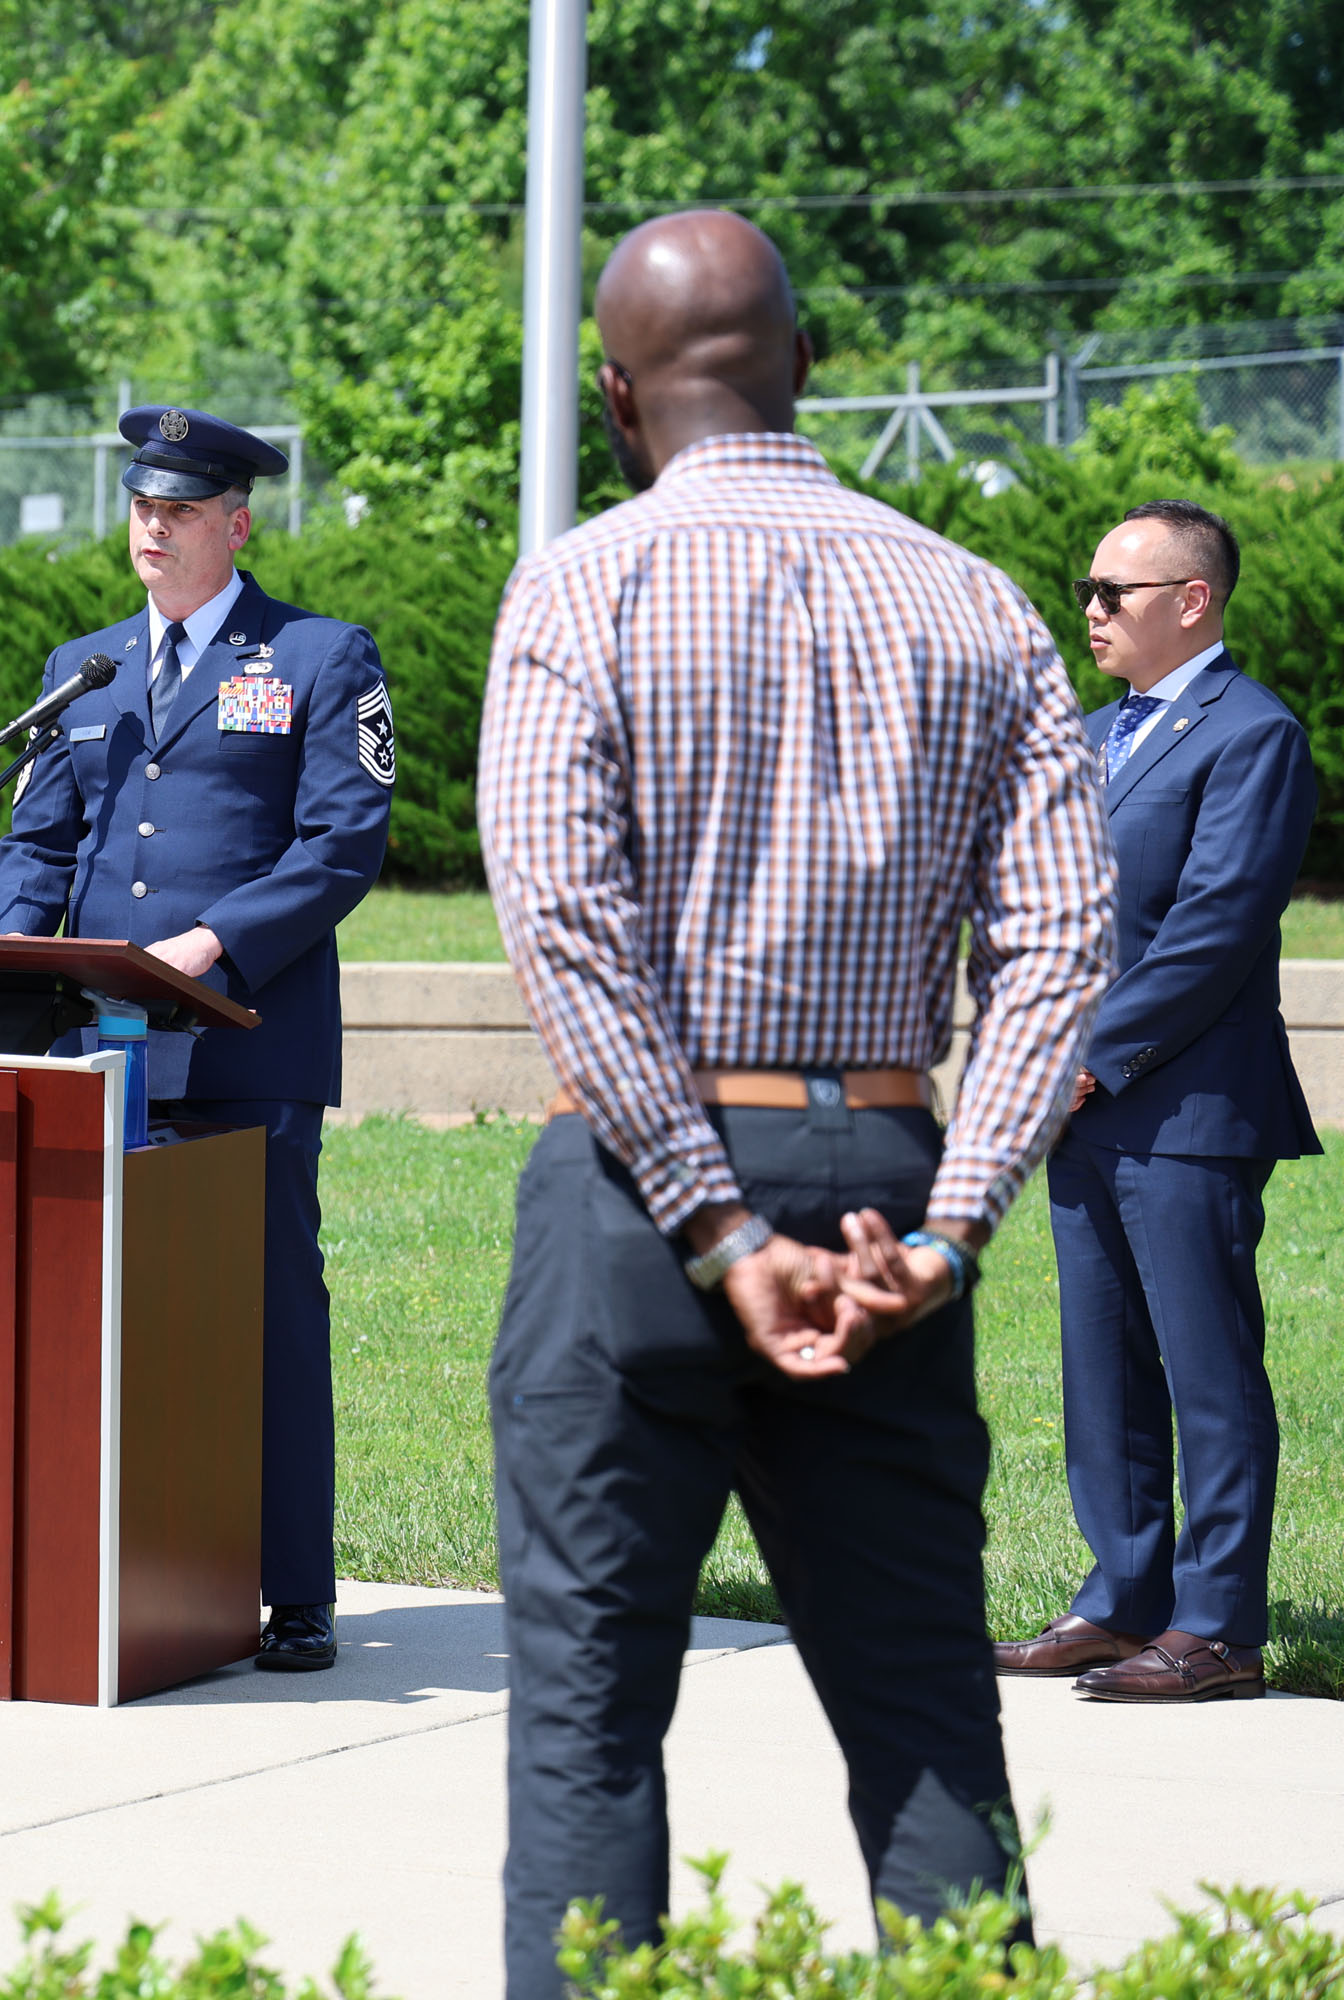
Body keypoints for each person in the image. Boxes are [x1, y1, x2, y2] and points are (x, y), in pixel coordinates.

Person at [477, 210, 1115, 1995]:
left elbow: (567, 934)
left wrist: (713, 1221)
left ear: (615, 394)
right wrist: (952, 1223)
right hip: (886, 1184)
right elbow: (1065, 942)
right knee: (925, 1720)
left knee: (590, 1719)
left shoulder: (579, 588)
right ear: (808, 367)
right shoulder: (977, 600)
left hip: (638, 1204)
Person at [0, 407, 394, 1672]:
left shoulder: (321, 659)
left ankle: (289, 1586)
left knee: (263, 1310)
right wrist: (12, 963)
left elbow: (341, 843)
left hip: (242, 1041)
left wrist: (213, 943)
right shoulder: (89, 663)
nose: (151, 526)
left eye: (179, 509)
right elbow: (38, 841)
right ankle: (101, 1556)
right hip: (94, 1047)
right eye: (140, 505)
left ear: (238, 521)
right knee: (87, 1307)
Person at [992, 502, 1317, 1703]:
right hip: (1081, 1105)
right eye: (1085, 588)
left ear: (1193, 599)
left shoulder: (1254, 735)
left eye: (1111, 591)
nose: (1089, 608)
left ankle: (1219, 1625)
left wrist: (1087, 1052)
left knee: (1208, 1368)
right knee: (1104, 1365)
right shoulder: (1086, 735)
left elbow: (1215, 930)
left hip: (1185, 1108)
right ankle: (1121, 1596)